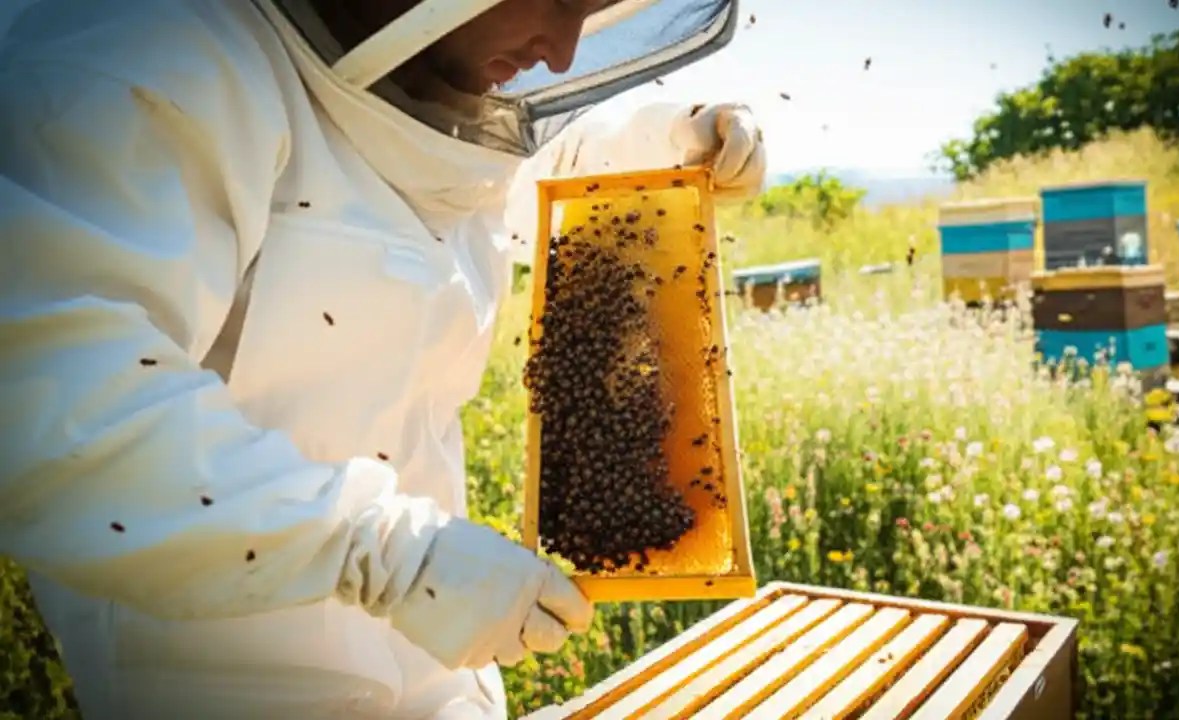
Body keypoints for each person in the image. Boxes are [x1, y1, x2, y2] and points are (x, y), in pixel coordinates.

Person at [0, 0, 766, 717]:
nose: (563, 53)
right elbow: (49, 405)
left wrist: (670, 144)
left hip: (446, 686)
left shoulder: (430, 88)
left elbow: (513, 176)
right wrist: (390, 556)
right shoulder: (145, 48)